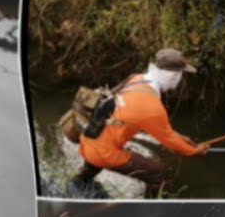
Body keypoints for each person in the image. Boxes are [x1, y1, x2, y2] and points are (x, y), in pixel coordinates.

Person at [71, 48, 209, 198]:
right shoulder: (152, 108)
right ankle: (150, 208)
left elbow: (152, 125)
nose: (181, 79)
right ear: (173, 77)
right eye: (181, 75)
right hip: (104, 152)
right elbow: (170, 140)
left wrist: (181, 138)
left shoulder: (135, 78)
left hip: (89, 138)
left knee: (102, 148)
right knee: (158, 173)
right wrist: (194, 151)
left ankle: (80, 179)